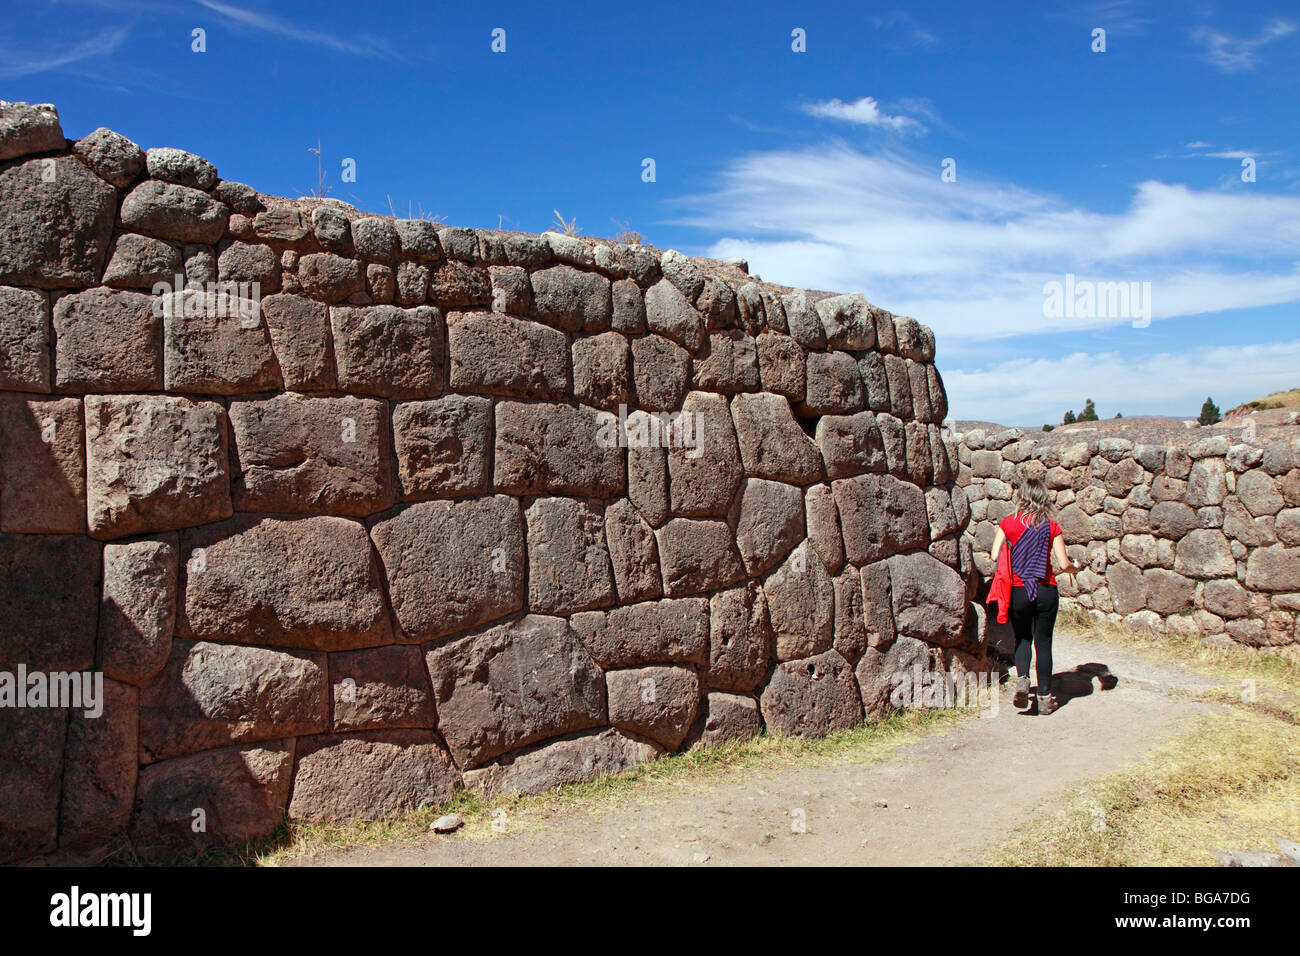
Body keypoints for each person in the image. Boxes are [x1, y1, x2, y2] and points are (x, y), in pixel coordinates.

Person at [988, 476, 1084, 715]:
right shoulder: (1052, 527)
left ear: (1022, 497)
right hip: (1046, 590)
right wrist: (1077, 566)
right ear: (1043, 498)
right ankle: (1044, 698)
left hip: (1019, 591)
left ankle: (1022, 679)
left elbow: (993, 555)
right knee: (1044, 643)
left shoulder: (1008, 524)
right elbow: (1063, 564)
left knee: (1022, 639)